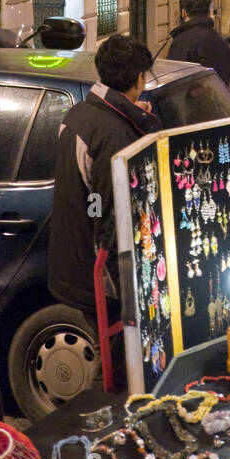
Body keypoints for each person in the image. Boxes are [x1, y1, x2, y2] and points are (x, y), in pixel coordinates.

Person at [48, 33, 161, 352]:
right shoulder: (113, 134)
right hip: (100, 281)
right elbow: (111, 221)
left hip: (75, 266)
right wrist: (124, 291)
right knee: (116, 365)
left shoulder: (82, 114)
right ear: (138, 78)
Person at [167, 0, 230, 85]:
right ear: (209, 12)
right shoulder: (221, 41)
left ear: (183, 13)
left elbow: (173, 83)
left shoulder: (182, 42)